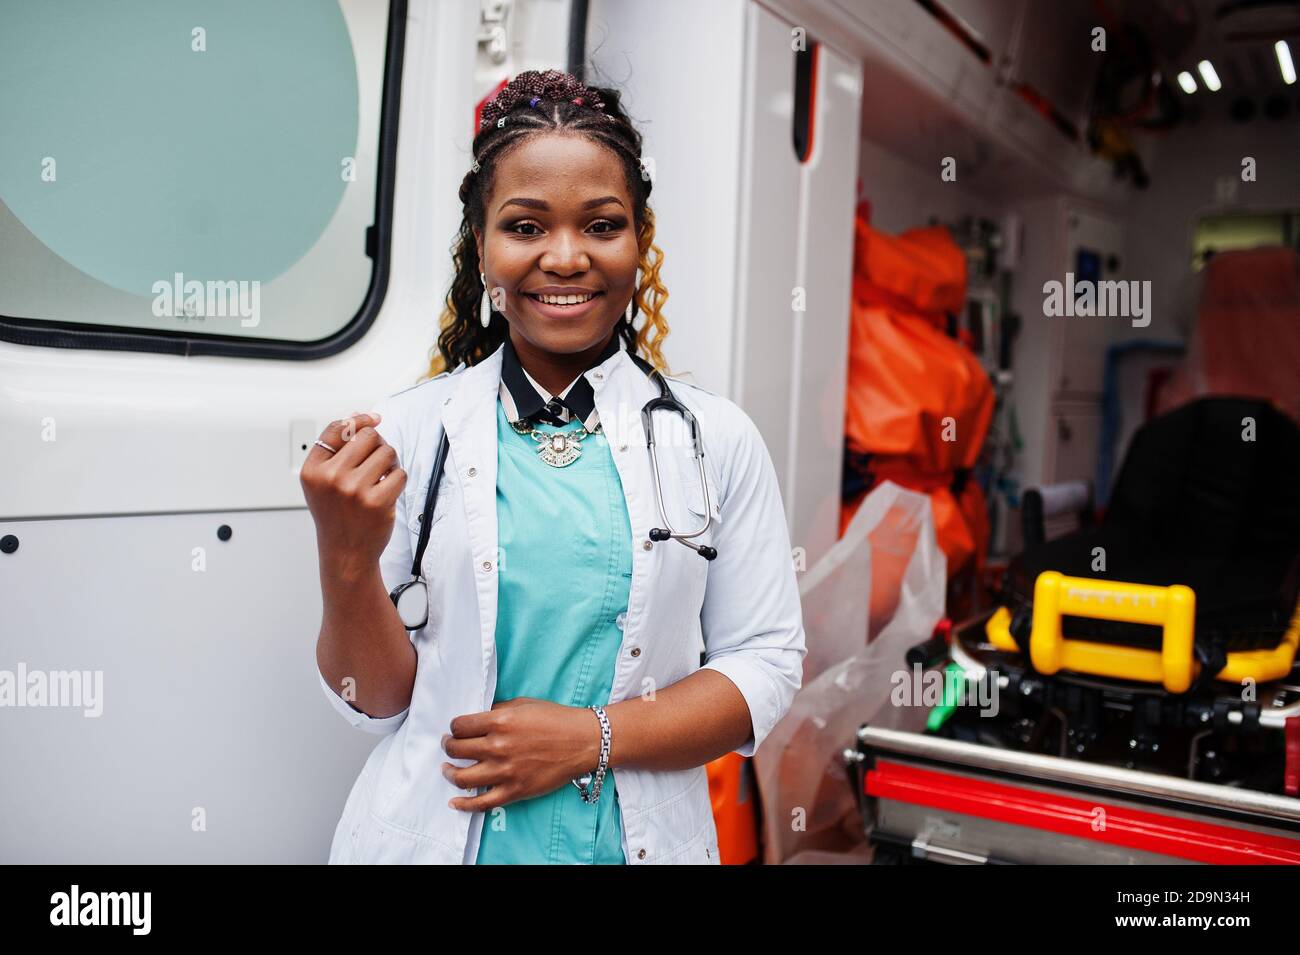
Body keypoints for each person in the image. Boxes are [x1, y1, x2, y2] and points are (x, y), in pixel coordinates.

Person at [301, 70, 805, 864]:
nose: (565, 258)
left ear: (640, 239)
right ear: (482, 245)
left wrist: (590, 739)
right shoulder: (407, 432)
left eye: (602, 225)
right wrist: (345, 554)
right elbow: (374, 704)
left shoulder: (718, 438)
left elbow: (766, 663)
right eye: (526, 226)